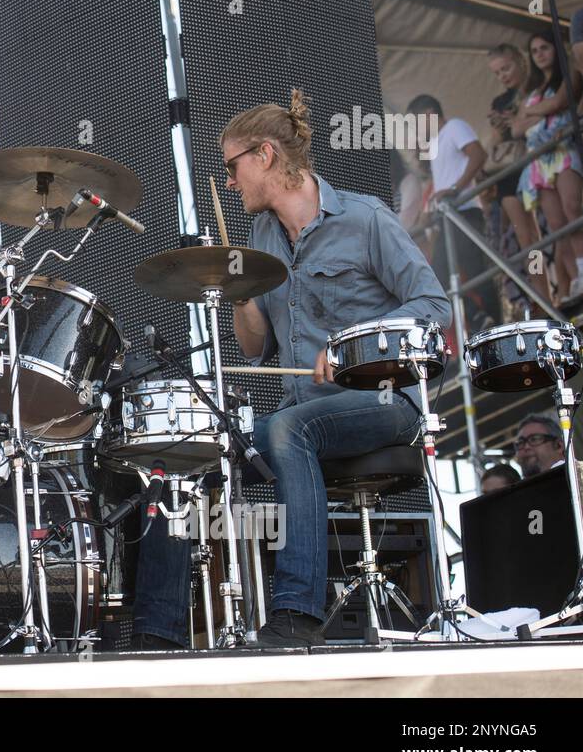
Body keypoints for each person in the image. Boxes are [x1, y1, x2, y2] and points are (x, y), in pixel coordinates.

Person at [130, 89, 450, 650]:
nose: (229, 182)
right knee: (183, 456)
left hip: (385, 404)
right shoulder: (262, 240)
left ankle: (299, 610)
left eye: (233, 167)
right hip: (301, 408)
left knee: (286, 429)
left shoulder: (365, 218)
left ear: (265, 156)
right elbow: (256, 349)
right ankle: (156, 632)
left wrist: (353, 343)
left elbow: (433, 306)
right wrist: (236, 295)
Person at [407, 94, 501, 327]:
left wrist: (455, 188)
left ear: (429, 114)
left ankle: (494, 324)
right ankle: (481, 318)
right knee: (441, 275)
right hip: (450, 216)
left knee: (474, 271)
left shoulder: (454, 127)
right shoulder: (437, 142)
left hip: (465, 211)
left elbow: (478, 154)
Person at [508, 31, 583, 301]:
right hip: (539, 161)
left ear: (556, 49)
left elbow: (560, 102)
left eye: (545, 48)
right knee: (555, 224)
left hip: (563, 151)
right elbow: (516, 129)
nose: (540, 54)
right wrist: (541, 109)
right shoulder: (532, 91)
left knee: (572, 209)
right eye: (535, 50)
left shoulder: (570, 74)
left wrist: (532, 111)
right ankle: (575, 279)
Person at [486, 44, 551, 305]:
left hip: (538, 163)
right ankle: (542, 296)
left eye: (506, 68)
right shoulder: (499, 102)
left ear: (521, 62)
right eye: (497, 73)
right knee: (526, 239)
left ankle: (563, 285)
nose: (503, 76)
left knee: (554, 226)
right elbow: (493, 143)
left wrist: (519, 121)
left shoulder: (540, 87)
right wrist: (501, 126)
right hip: (510, 173)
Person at [513, 413, 566, 477]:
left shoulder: (576, 479)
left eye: (534, 439)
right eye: (520, 442)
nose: (526, 447)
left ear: (559, 446)